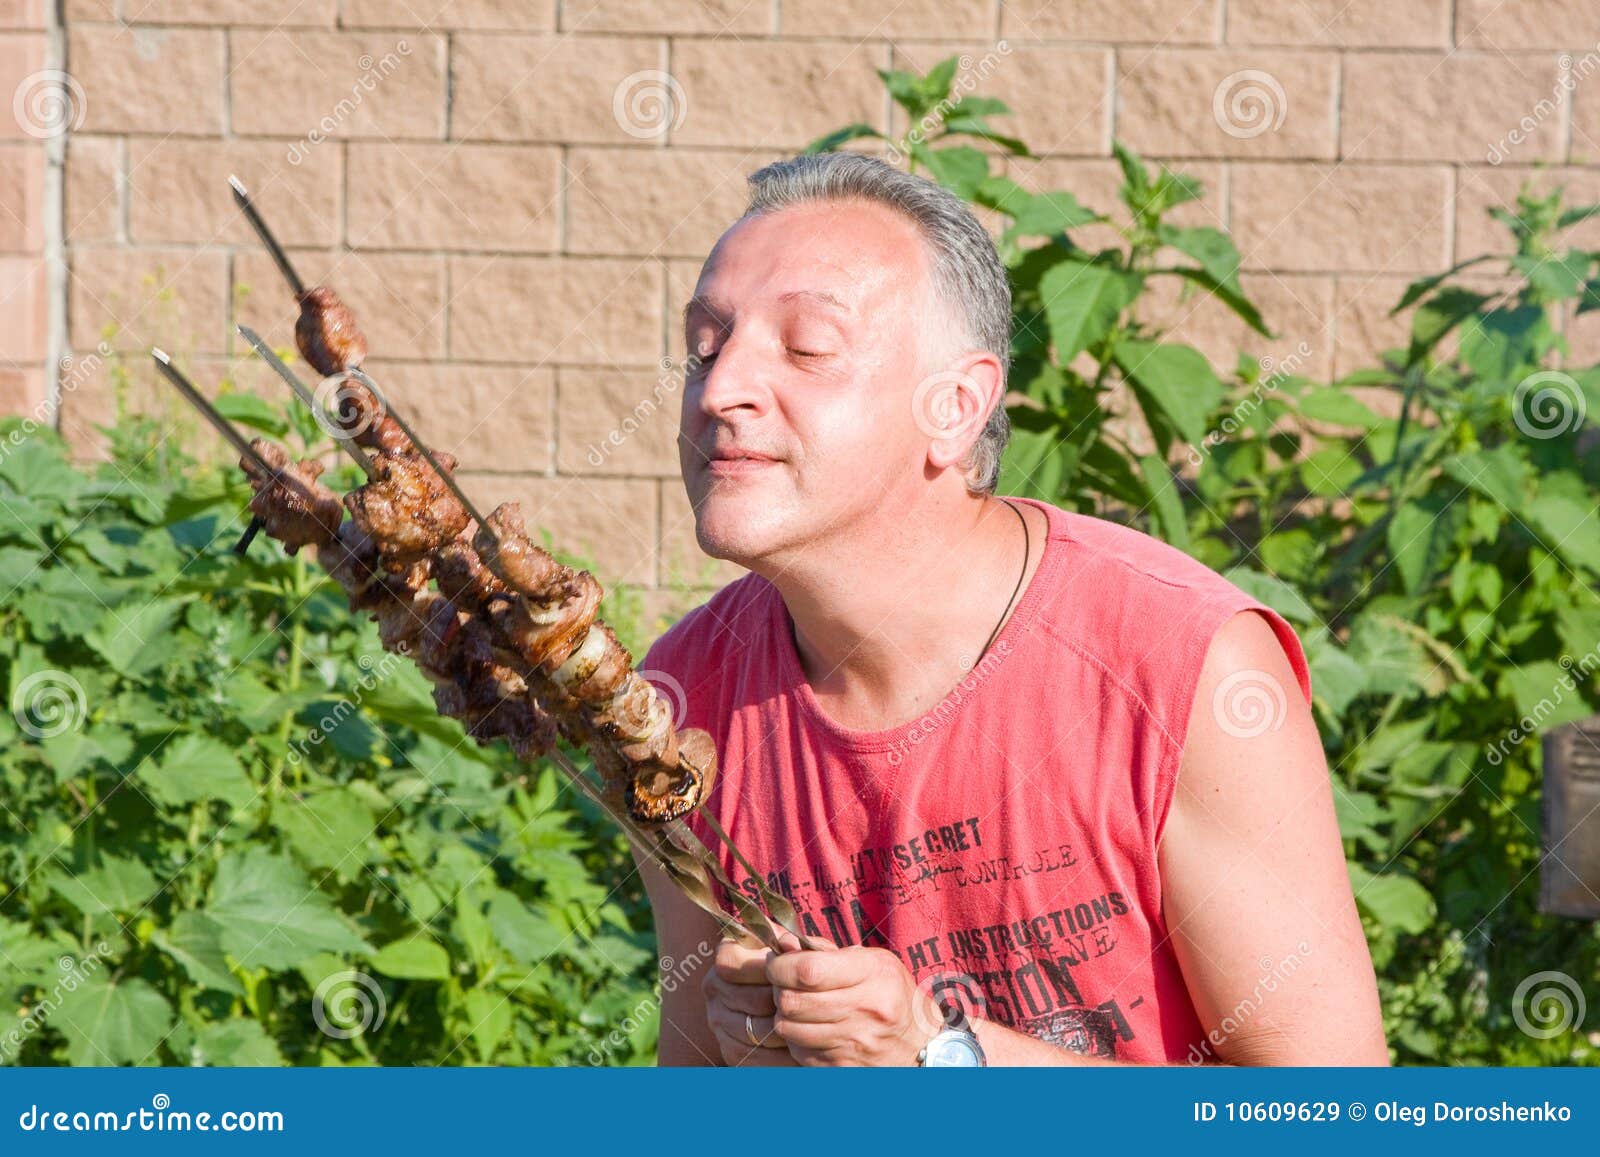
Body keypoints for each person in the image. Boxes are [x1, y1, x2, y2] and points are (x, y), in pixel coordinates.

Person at [634, 151, 1387, 1067]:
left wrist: (943, 1059)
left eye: (807, 349)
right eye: (705, 346)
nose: (718, 391)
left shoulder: (1184, 668)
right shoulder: (681, 704)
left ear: (956, 407)